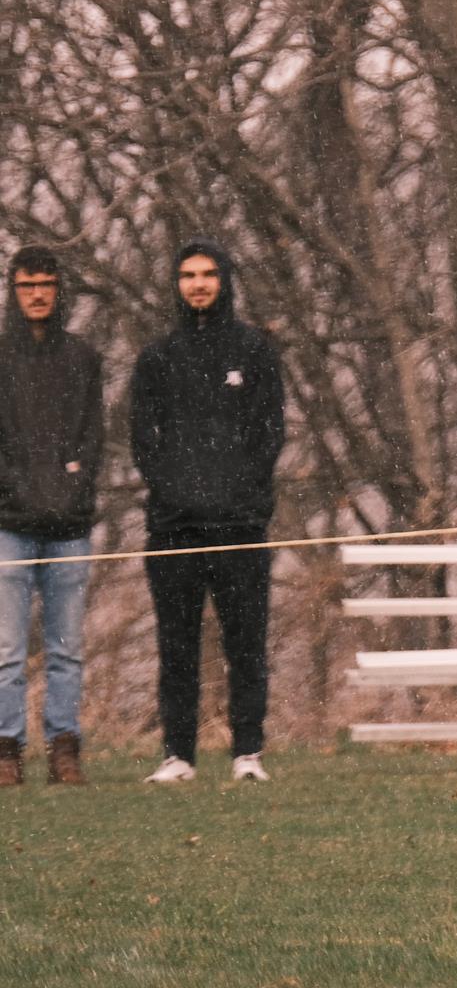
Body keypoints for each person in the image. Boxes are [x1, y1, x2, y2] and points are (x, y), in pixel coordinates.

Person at [130, 238, 285, 784]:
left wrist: (242, 497)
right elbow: (143, 443)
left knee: (246, 645)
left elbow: (270, 435)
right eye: (188, 275)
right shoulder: (157, 358)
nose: (198, 284)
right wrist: (178, 494)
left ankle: (248, 753)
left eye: (208, 274)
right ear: (177, 284)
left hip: (240, 526)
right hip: (174, 529)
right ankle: (178, 756)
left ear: (225, 281)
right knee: (177, 649)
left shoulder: (255, 351)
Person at [0, 246, 103, 786]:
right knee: (8, 653)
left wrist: (70, 489)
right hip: (10, 527)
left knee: (67, 650)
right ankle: (6, 752)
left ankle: (65, 750)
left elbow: (93, 438)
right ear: (13, 291)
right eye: (26, 285)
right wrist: (17, 491)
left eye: (45, 284)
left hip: (69, 528)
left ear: (59, 290)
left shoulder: (83, 358)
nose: (36, 293)